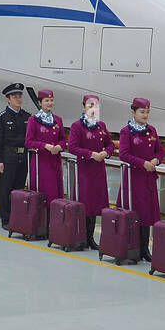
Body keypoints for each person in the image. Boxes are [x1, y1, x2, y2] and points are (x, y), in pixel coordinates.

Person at [67, 94, 115, 250]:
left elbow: (110, 145)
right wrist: (90, 154)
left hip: (98, 171)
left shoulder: (101, 126)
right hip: (85, 171)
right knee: (85, 204)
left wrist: (106, 153)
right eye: (90, 106)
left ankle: (90, 237)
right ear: (83, 107)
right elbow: (72, 147)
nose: (93, 109)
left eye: (96, 106)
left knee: (95, 205)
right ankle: (81, 236)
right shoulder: (77, 126)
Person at [118, 97, 163, 262]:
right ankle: (131, 247)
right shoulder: (126, 131)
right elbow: (123, 154)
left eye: (147, 112)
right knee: (134, 213)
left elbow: (160, 152)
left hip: (148, 179)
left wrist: (155, 161)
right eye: (142, 112)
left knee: (147, 215)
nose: (145, 115)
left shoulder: (152, 130)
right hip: (134, 178)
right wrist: (143, 163)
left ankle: (145, 248)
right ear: (134, 112)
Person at [0, 82, 31, 229]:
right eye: (15, 96)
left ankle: (17, 217)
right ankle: (6, 219)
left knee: (19, 189)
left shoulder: (26, 117)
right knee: (6, 189)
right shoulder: (2, 117)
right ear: (8, 99)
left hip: (23, 157)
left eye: (20, 96)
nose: (18, 99)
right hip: (8, 158)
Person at [25, 89, 66, 204]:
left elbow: (62, 139)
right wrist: (45, 146)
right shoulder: (33, 120)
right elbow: (28, 142)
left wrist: (59, 146)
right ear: (39, 103)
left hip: (54, 162)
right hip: (40, 163)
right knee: (42, 194)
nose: (50, 103)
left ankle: (52, 220)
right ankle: (40, 220)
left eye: (51, 100)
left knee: (54, 194)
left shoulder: (58, 120)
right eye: (46, 100)